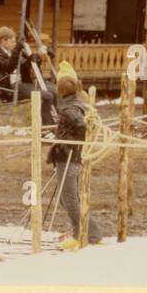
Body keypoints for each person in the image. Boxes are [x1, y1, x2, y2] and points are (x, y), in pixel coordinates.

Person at [49, 75, 103, 249]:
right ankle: (88, 232)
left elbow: (81, 126)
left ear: (61, 91)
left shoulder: (68, 108)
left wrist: (67, 140)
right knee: (66, 200)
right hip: (70, 157)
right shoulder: (76, 104)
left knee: (70, 200)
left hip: (68, 158)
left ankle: (84, 235)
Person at [0, 26, 56, 126]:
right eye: (12, 41)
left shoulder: (12, 51)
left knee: (54, 90)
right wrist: (17, 49)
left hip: (22, 84)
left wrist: (39, 55)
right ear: (3, 40)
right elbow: (8, 67)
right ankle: (46, 126)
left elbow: (26, 64)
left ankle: (57, 120)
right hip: (10, 89)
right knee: (47, 96)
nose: (14, 44)